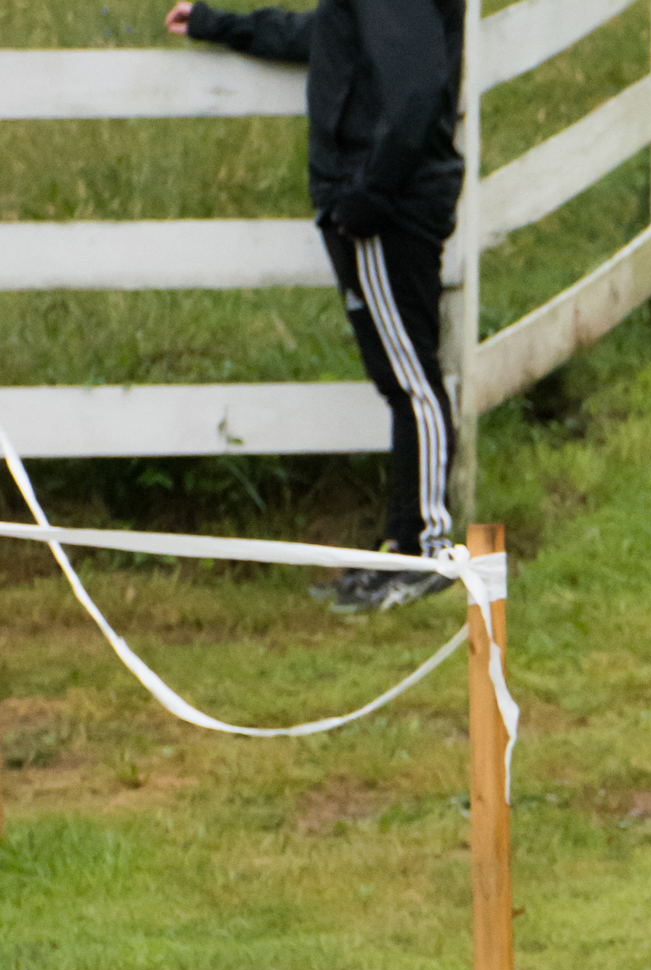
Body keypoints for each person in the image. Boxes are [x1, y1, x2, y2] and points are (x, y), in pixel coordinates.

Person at [166, 0, 464, 611]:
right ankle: (398, 549)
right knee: (400, 378)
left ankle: (427, 551)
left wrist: (367, 196)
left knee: (412, 381)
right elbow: (329, 36)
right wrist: (220, 24)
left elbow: (416, 92)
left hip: (383, 209)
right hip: (371, 203)